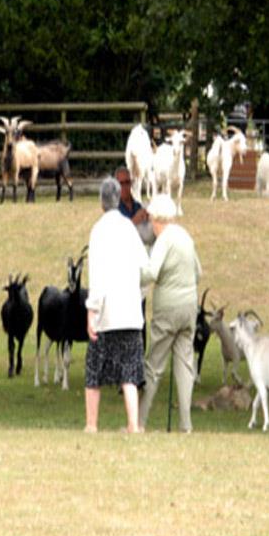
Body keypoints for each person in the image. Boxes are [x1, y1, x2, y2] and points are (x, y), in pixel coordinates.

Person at [84, 177, 149, 433]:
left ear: (101, 201)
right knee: (129, 372)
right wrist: (138, 296)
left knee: (94, 371)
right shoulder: (129, 229)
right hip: (130, 312)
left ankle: (91, 424)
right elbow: (145, 269)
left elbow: (96, 275)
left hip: (107, 314)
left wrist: (92, 310)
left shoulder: (98, 231)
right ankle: (133, 424)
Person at [137, 194, 202, 433]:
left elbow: (152, 273)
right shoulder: (185, 236)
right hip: (189, 307)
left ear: (156, 219)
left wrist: (136, 273)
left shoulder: (163, 239)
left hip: (168, 309)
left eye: (151, 219)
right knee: (185, 363)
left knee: (154, 365)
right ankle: (186, 424)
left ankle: (139, 422)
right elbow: (198, 272)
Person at [114, 166, 154, 246]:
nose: (124, 187)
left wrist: (151, 219)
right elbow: (114, 237)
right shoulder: (113, 211)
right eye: (121, 183)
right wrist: (134, 221)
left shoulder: (138, 206)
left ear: (131, 183)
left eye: (127, 182)